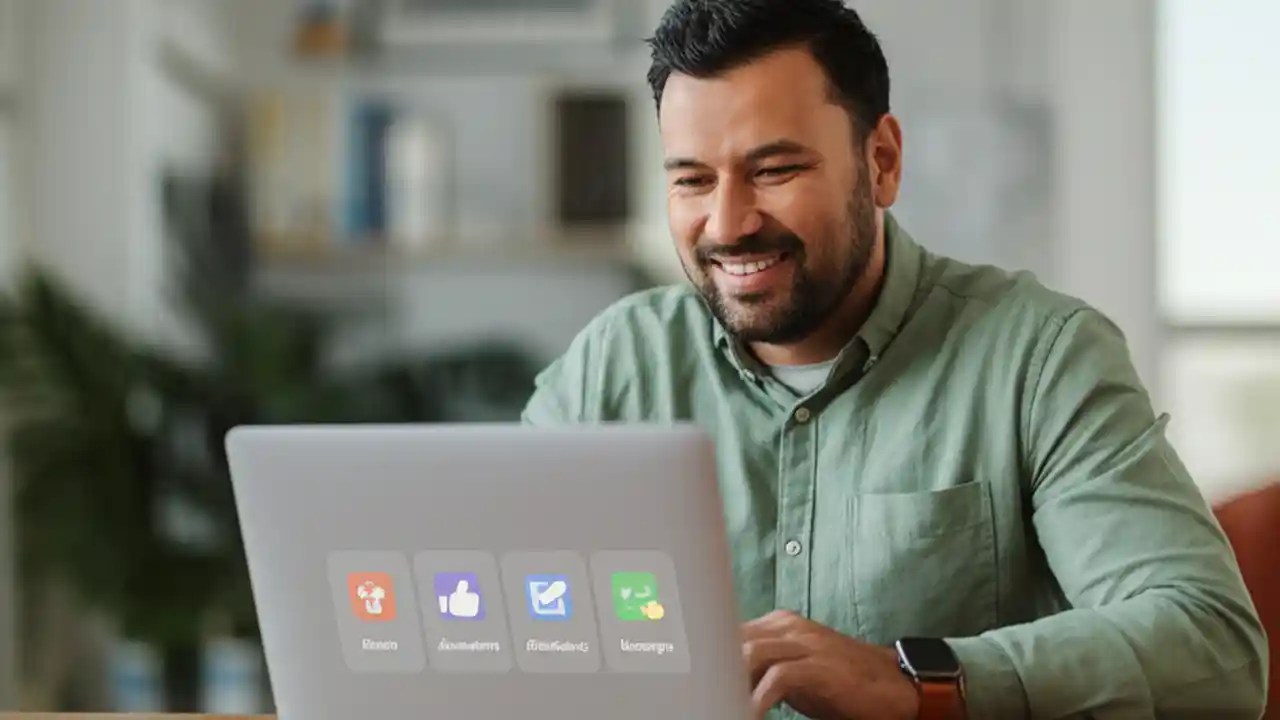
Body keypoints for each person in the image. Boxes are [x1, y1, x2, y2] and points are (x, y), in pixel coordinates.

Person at [522, 0, 1268, 717]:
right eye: (692, 179)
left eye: (775, 170)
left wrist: (918, 682)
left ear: (880, 161)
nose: (728, 223)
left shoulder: (1040, 360)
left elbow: (1213, 648)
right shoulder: (613, 367)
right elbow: (501, 615)